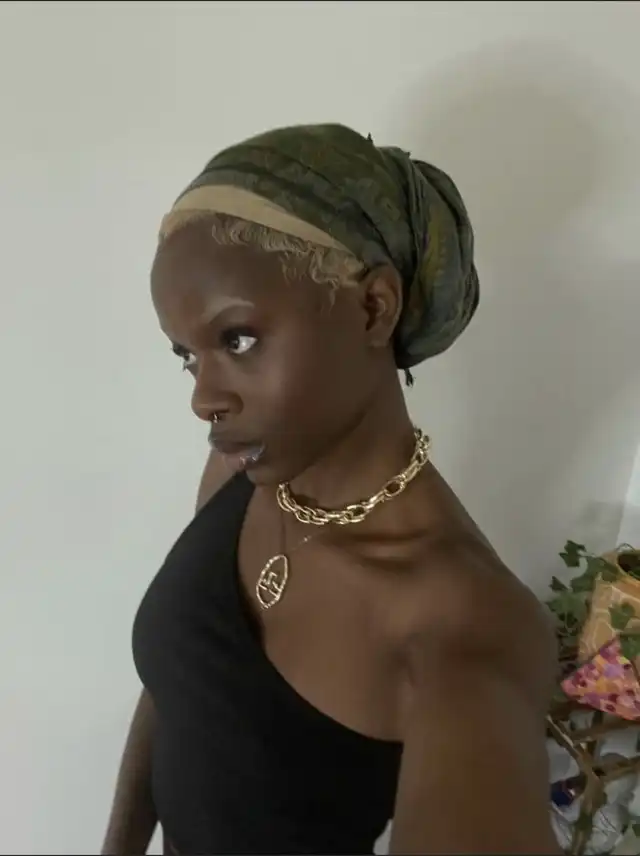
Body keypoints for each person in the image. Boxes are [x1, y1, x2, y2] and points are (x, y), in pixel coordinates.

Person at [101, 123, 560, 855]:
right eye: (188, 355)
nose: (203, 398)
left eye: (238, 339)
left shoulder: (464, 623)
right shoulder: (240, 470)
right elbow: (177, 681)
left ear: (374, 307)